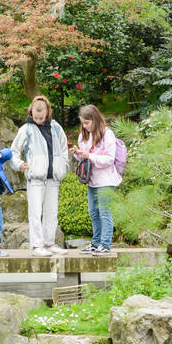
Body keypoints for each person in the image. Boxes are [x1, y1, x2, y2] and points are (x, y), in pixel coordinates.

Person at [10, 94, 69, 257]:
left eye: (41, 117)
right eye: (35, 116)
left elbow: (64, 148)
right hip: (35, 177)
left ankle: (49, 243)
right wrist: (19, 164)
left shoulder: (56, 127)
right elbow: (14, 151)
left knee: (52, 212)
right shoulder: (26, 129)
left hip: (53, 177)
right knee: (35, 212)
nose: (38, 119)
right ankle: (37, 245)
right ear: (31, 113)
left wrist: (63, 165)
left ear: (47, 113)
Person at [70, 104, 122, 255]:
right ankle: (95, 243)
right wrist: (77, 153)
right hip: (92, 179)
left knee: (104, 212)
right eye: (83, 123)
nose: (85, 126)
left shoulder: (107, 134)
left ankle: (105, 244)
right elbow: (84, 157)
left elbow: (109, 159)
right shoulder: (84, 135)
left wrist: (89, 156)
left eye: (87, 123)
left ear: (95, 119)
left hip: (106, 180)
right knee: (93, 211)